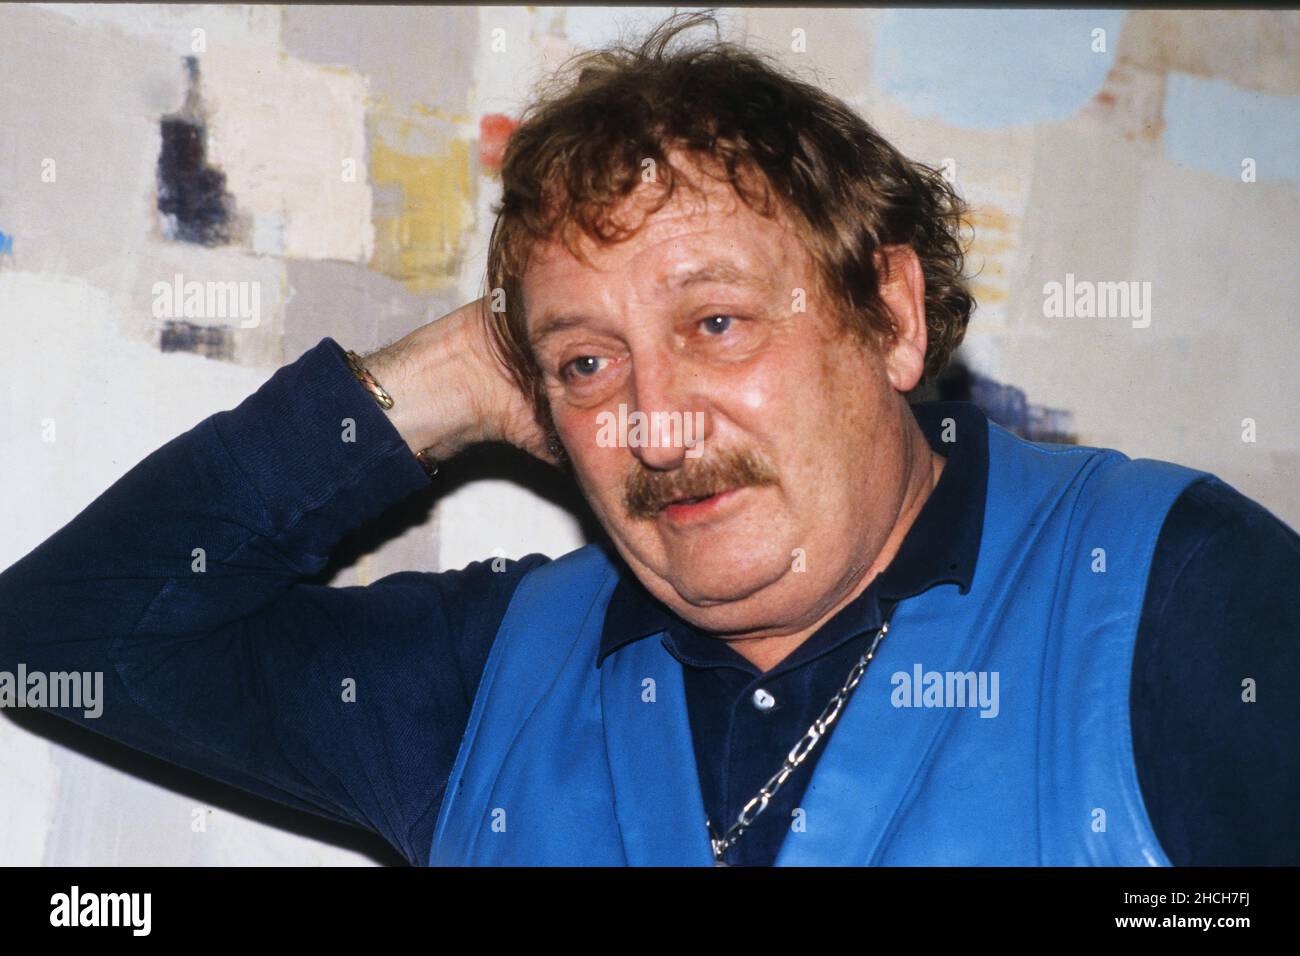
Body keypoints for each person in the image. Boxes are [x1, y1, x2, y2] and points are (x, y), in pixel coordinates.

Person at [2, 12, 1297, 867]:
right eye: (586, 360)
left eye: (718, 321)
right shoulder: (493, 675)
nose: (653, 419)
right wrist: (439, 377)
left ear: (891, 317)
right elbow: (56, 645)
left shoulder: (1172, 599)